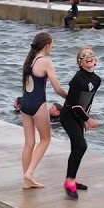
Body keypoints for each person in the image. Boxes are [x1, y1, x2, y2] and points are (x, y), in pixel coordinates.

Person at [20, 32, 69, 189]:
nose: (53, 47)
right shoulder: (46, 62)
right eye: (52, 44)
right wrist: (69, 97)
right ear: (47, 46)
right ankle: (30, 173)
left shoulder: (30, 60)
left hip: (25, 103)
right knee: (46, 139)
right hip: (38, 104)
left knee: (29, 142)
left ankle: (26, 179)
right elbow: (57, 88)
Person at [60, 48, 101, 199]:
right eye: (84, 56)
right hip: (69, 116)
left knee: (76, 147)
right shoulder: (77, 79)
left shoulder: (96, 80)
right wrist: (88, 120)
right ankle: (69, 181)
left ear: (95, 60)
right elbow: (74, 105)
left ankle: (71, 178)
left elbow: (88, 102)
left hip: (79, 116)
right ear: (80, 63)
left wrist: (86, 118)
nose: (88, 57)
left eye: (91, 54)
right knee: (81, 146)